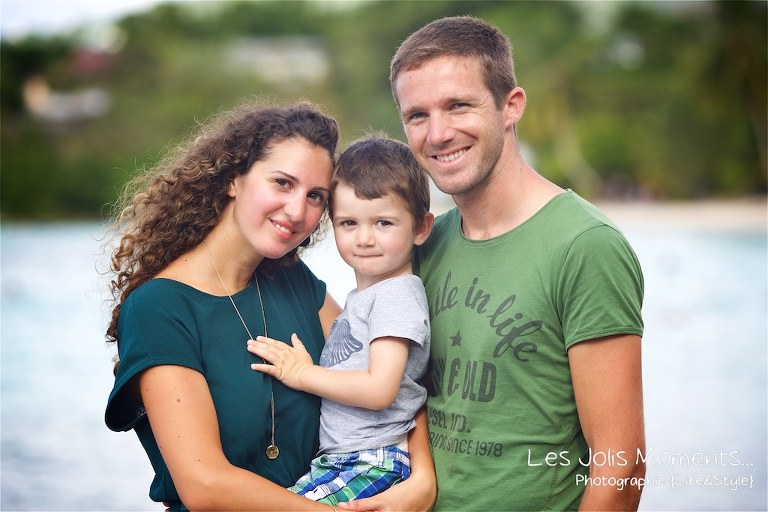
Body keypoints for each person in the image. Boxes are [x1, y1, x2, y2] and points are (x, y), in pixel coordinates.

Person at [103, 101, 436, 511]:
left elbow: (393, 381)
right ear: (233, 180)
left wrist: (422, 479)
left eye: (316, 196)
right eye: (282, 183)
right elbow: (204, 484)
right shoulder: (159, 308)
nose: (297, 211)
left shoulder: (293, 281)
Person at [378, 15, 645, 511]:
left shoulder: (585, 245)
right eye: (417, 115)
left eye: (458, 105)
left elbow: (622, 462)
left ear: (510, 106)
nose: (438, 133)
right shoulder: (423, 245)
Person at [247, 134, 434, 505]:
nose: (364, 238)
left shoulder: (396, 295)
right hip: (345, 459)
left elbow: (380, 390)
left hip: (370, 459)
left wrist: (302, 375)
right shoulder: (367, 296)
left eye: (383, 223)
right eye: (349, 223)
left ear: (421, 228)